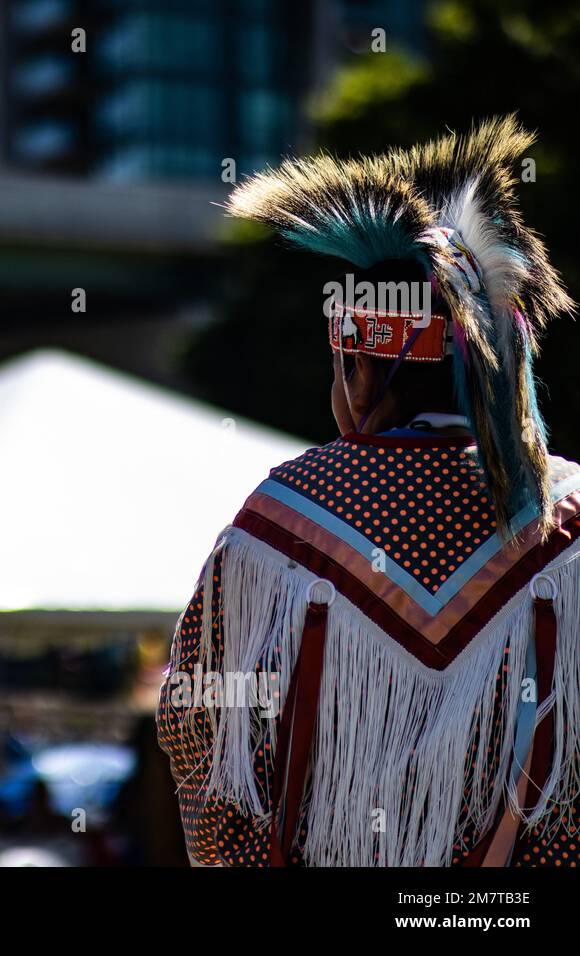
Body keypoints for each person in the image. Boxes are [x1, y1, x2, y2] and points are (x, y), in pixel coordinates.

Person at [158, 116, 580, 866]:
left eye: (341, 369)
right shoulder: (567, 521)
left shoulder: (279, 523)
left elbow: (199, 729)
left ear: (364, 374)